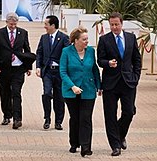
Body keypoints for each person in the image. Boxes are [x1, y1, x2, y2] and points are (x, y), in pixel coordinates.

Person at [97, 12, 141, 156]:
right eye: (112, 25)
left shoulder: (130, 37)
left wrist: (136, 77)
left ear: (122, 23)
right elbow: (100, 60)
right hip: (110, 83)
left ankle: (121, 134)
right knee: (110, 114)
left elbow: (136, 59)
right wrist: (108, 63)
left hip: (128, 82)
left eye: (117, 24)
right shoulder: (104, 40)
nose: (114, 27)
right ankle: (115, 145)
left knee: (129, 112)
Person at [59, 26, 101, 157]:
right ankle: (74, 142)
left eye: (87, 39)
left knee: (86, 118)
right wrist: (72, 86)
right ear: (76, 40)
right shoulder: (66, 51)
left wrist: (99, 86)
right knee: (75, 117)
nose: (87, 41)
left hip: (88, 89)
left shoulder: (90, 52)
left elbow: (94, 69)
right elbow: (63, 71)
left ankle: (86, 147)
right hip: (71, 91)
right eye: (84, 39)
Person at [0, 12, 35, 129]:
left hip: (18, 68)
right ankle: (6, 115)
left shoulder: (23, 33)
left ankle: (17, 119)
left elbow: (27, 49)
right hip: (3, 69)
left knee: (16, 92)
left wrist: (28, 66)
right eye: (11, 24)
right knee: (5, 92)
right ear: (6, 22)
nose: (13, 27)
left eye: (15, 24)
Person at [36, 15, 70, 130]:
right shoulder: (43, 38)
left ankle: (58, 121)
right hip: (47, 72)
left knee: (59, 97)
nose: (44, 27)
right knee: (46, 93)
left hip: (60, 72)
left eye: (46, 24)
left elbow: (67, 54)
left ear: (53, 25)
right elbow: (39, 53)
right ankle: (47, 118)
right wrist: (38, 67)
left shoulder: (64, 38)